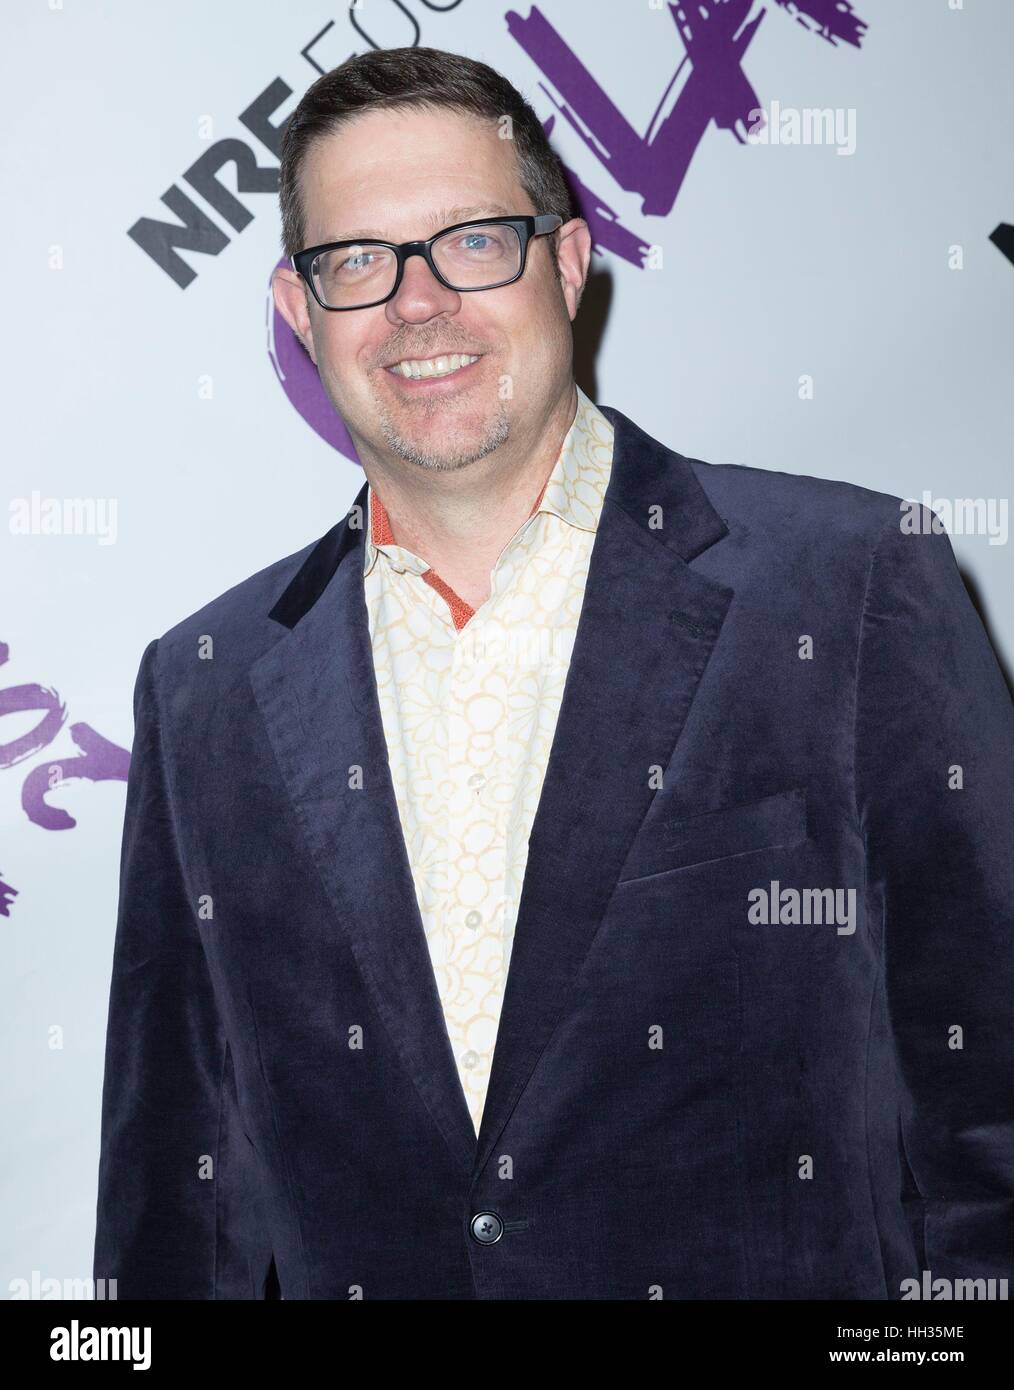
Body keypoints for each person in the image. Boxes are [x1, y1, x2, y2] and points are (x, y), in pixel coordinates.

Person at [93, 45, 1014, 1300]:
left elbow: (994, 1109)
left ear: (568, 265)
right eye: (357, 261)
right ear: (299, 313)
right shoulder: (205, 685)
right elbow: (177, 1208)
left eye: (473, 239)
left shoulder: (847, 585)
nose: (418, 303)